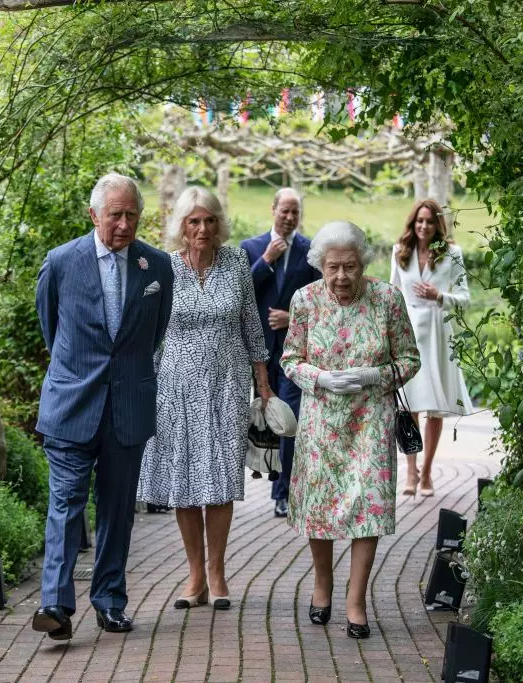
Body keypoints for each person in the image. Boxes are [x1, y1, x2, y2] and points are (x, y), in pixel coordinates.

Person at [32, 174, 174, 640]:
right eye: (115, 214)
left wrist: (126, 376)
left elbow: (155, 335)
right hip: (73, 404)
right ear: (94, 215)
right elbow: (51, 330)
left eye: (132, 214)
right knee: (66, 503)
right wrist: (80, 373)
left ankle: (110, 602)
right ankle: (55, 603)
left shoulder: (157, 267)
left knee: (117, 510)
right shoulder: (60, 262)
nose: (124, 223)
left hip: (127, 407)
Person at [281, 221, 420, 638]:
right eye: (333, 267)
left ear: (364, 264)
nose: (341, 277)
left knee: (369, 508)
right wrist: (321, 378)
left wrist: (372, 376)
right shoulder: (304, 300)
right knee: (320, 507)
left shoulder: (387, 300)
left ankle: (356, 601)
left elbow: (410, 359)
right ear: (320, 265)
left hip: (370, 422)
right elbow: (290, 360)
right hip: (321, 422)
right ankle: (322, 585)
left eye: (351, 267)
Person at [139, 187, 272, 611]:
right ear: (182, 225)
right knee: (183, 480)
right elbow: (148, 329)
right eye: (194, 221)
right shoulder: (163, 266)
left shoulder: (236, 261)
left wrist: (263, 383)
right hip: (174, 386)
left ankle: (217, 572)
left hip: (227, 385)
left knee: (218, 479)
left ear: (220, 224)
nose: (203, 229)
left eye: (210, 220)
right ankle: (195, 573)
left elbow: (252, 323)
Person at [240, 188, 321, 518]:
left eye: (295, 213)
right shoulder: (251, 248)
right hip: (258, 351)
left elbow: (320, 299)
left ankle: (282, 492)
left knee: (288, 420)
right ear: (273, 209)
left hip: (293, 351)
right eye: (284, 211)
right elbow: (240, 292)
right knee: (265, 420)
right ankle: (269, 479)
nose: (289, 218)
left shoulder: (311, 250)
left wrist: (293, 318)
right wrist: (267, 261)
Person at [389, 199, 473, 497]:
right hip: (408, 335)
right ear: (413, 223)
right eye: (419, 221)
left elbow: (465, 298)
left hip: (438, 335)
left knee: (435, 408)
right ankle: (410, 472)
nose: (423, 226)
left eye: (429, 221)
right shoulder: (400, 252)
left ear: (438, 224)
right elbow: (392, 295)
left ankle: (427, 472)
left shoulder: (453, 254)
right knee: (408, 405)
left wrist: (440, 296)